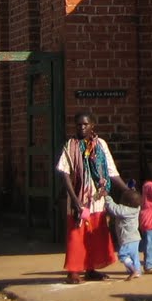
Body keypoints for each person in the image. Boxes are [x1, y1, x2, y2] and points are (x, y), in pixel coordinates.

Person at [57, 113, 126, 284]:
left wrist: (127, 190)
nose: (82, 127)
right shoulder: (71, 145)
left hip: (97, 199)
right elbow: (64, 173)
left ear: (92, 126)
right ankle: (73, 271)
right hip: (78, 199)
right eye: (79, 124)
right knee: (76, 235)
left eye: (85, 124)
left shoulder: (100, 145)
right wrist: (74, 199)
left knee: (95, 234)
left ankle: (91, 268)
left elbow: (111, 171)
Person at [107, 184, 144, 279]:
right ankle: (138, 271)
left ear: (127, 204)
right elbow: (134, 199)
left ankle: (133, 270)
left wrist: (107, 197)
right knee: (134, 256)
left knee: (123, 255)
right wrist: (133, 191)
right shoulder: (136, 208)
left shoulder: (125, 211)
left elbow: (114, 209)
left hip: (127, 239)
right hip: (135, 238)